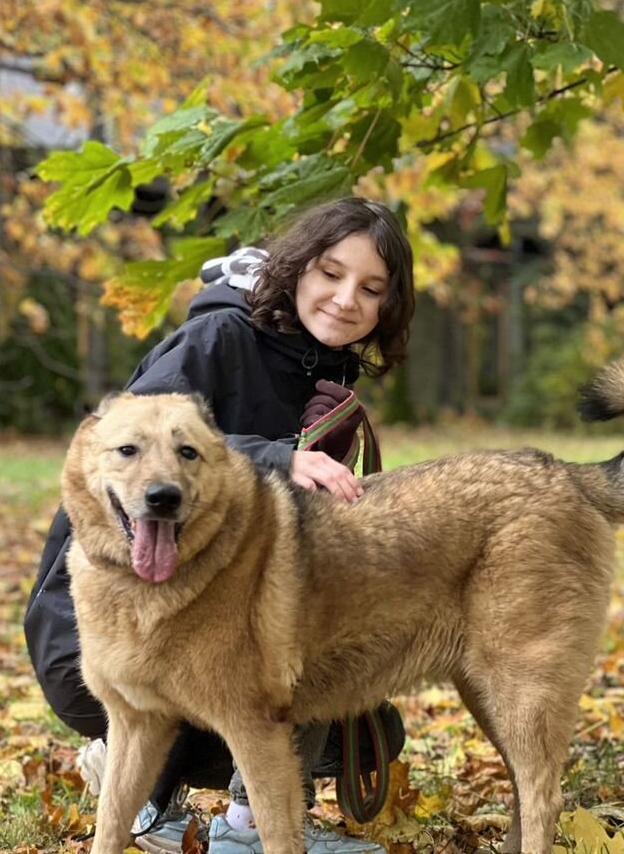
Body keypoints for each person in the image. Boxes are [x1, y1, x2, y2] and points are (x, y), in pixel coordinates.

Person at [24, 198, 416, 854]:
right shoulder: (222, 336)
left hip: (192, 607)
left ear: (388, 307)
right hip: (93, 625)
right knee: (281, 676)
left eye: (371, 288)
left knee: (368, 719)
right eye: (330, 273)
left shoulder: (318, 367)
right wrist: (280, 458)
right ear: (296, 270)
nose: (347, 298)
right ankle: (193, 807)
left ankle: (160, 792)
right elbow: (143, 436)